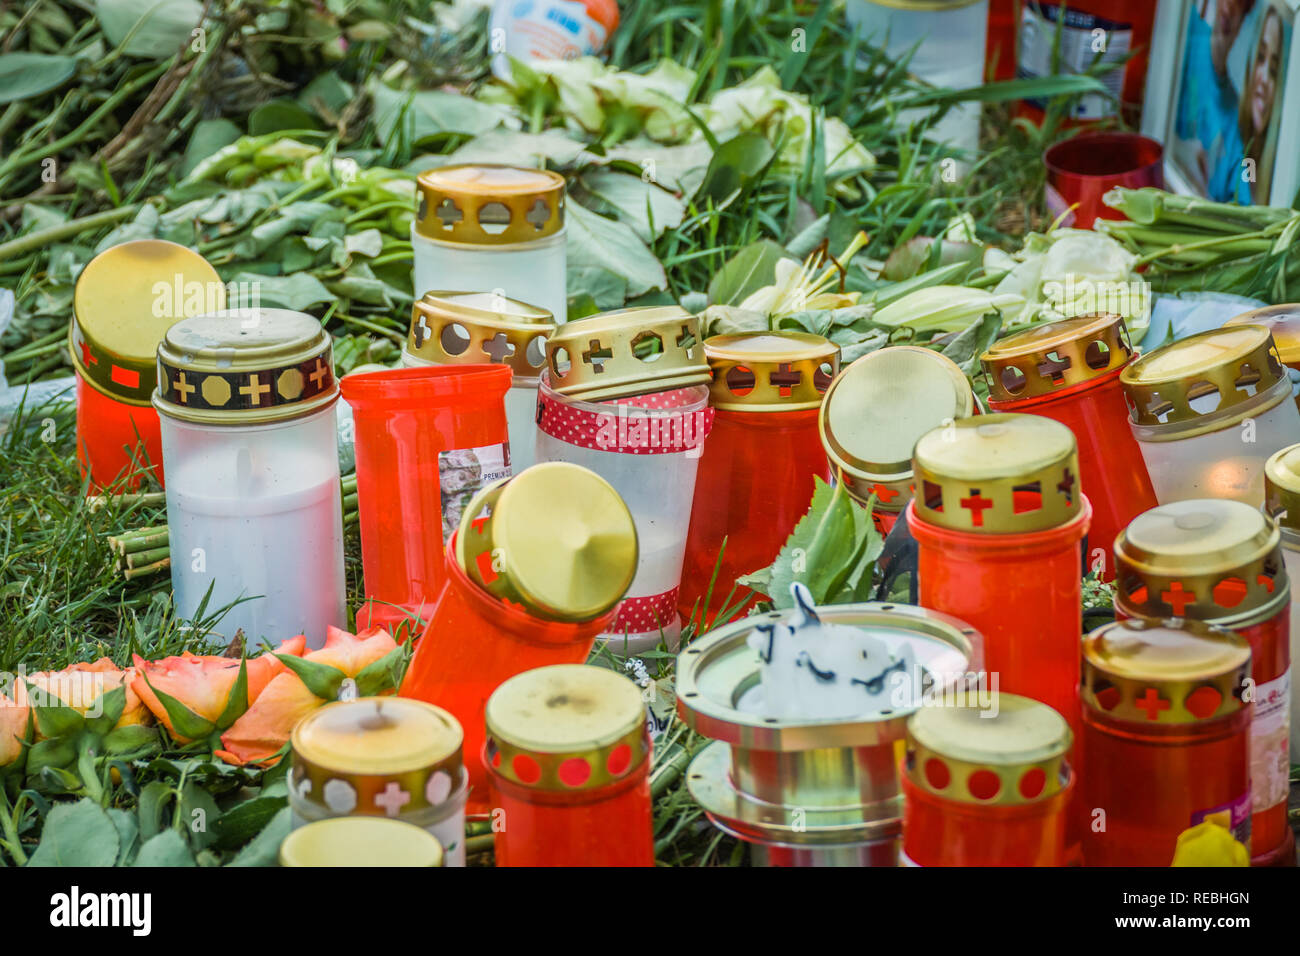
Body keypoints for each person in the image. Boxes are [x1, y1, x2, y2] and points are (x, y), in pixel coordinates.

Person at [1174, 0, 1256, 197]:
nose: (1228, 8)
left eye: (1238, 3)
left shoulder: (1237, 122)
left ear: (1244, 18)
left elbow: (1241, 208)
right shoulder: (1183, 33)